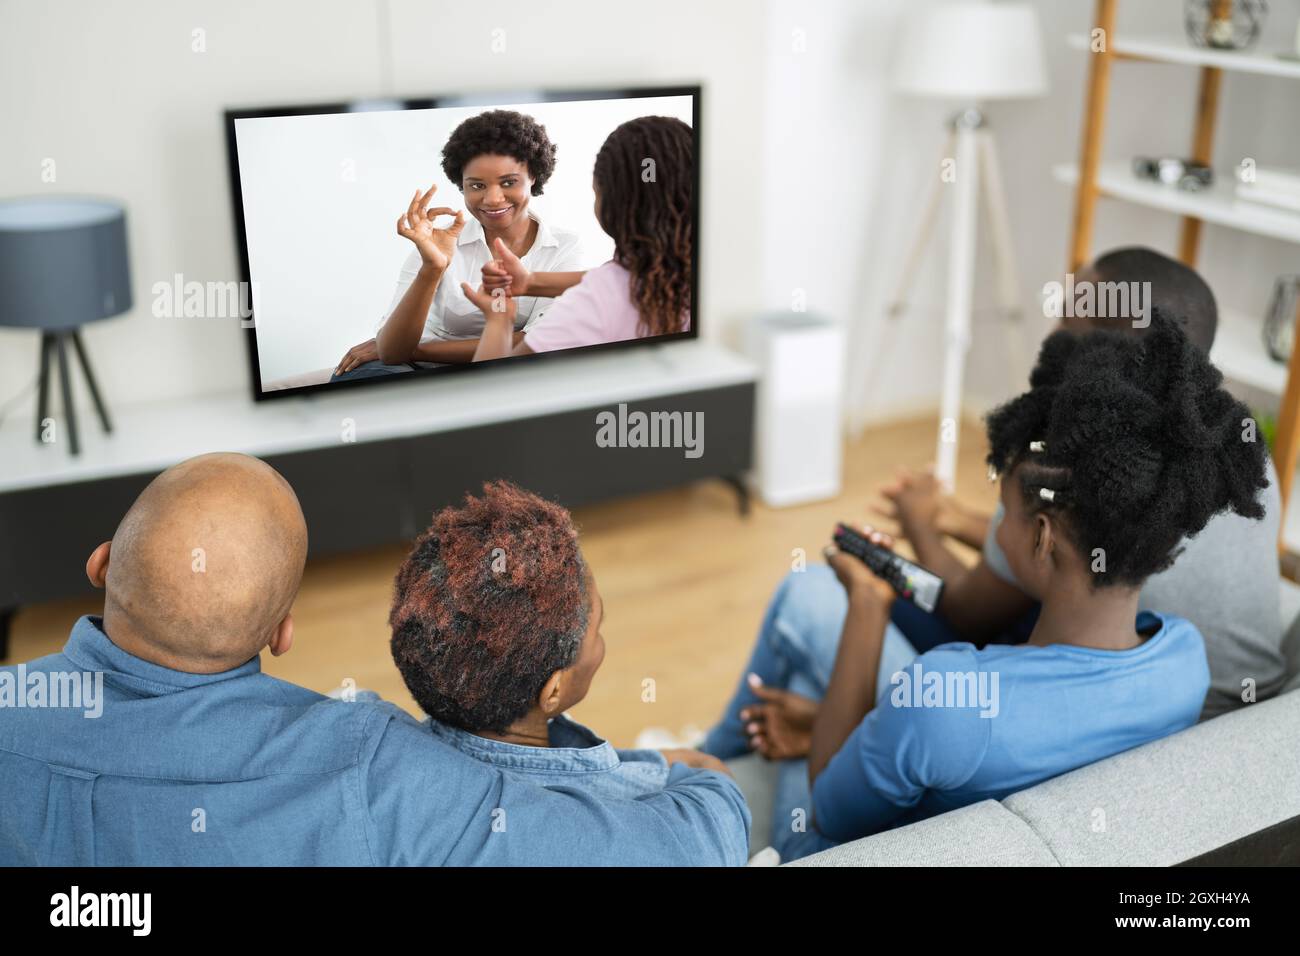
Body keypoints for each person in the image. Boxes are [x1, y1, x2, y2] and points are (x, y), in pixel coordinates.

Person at [0, 453, 750, 866]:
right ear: (282, 630)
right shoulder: (367, 768)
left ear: (101, 563)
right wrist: (703, 782)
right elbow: (674, 850)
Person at [702, 316, 1267, 860]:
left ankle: (700, 769)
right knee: (810, 688)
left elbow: (828, 814)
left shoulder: (949, 696)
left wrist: (869, 605)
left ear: (1043, 538)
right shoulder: (1185, 659)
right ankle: (728, 750)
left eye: (1003, 515)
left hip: (831, 844)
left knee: (805, 614)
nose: (994, 531)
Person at [875, 247, 1287, 719]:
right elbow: (1058, 545)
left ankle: (860, 727)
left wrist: (919, 521)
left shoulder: (1084, 460)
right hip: (1251, 709)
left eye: (1067, 328)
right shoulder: (1229, 443)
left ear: (1106, 358)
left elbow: (967, 611)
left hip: (1171, 724)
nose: (1049, 336)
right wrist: (951, 517)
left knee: (874, 582)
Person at [387, 480, 742, 824]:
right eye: (598, 628)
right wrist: (707, 772)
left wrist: (651, 761)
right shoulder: (623, 818)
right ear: (553, 691)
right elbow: (721, 812)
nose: (602, 641)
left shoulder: (386, 757)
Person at [331, 110, 587, 380]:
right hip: (408, 370)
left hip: (490, 370)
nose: (492, 199)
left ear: (533, 176)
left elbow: (535, 344)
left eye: (508, 182)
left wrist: (418, 350)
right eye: (476, 186)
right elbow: (393, 353)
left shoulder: (564, 247)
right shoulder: (438, 242)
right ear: (461, 185)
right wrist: (433, 267)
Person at [463, 115, 692, 359]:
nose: (493, 198)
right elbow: (626, 278)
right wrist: (530, 282)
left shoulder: (590, 306)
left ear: (611, 205)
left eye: (596, 192)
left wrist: (499, 321)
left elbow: (501, 392)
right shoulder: (693, 269)